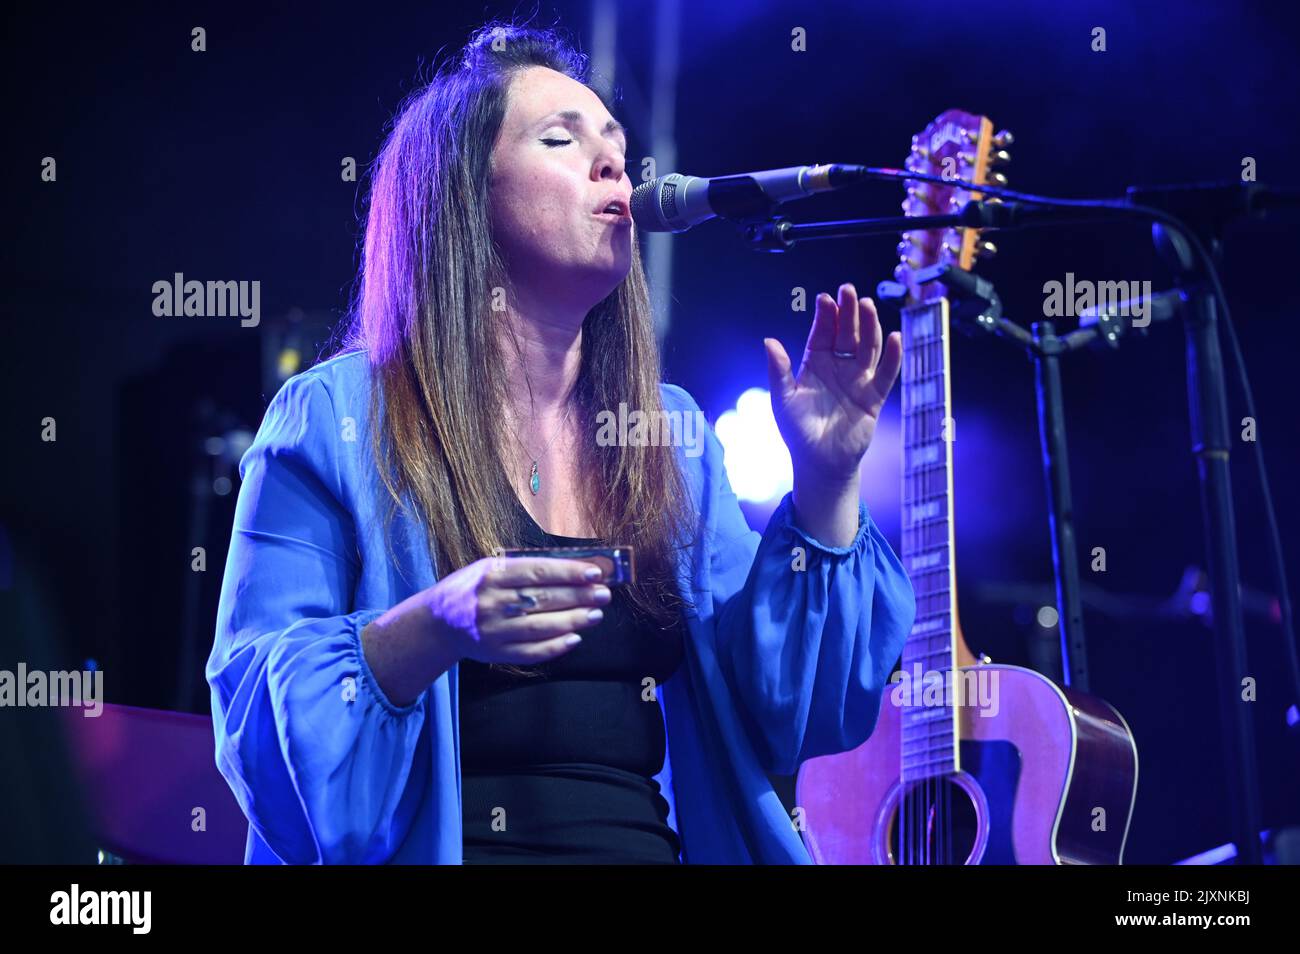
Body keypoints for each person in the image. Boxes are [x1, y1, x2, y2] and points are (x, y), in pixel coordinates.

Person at [206, 20, 915, 865]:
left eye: (615, 144)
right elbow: (258, 727)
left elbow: (793, 713)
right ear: (462, 197)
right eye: (560, 139)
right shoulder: (334, 416)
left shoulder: (671, 436)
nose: (614, 163)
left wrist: (827, 484)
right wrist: (433, 626)